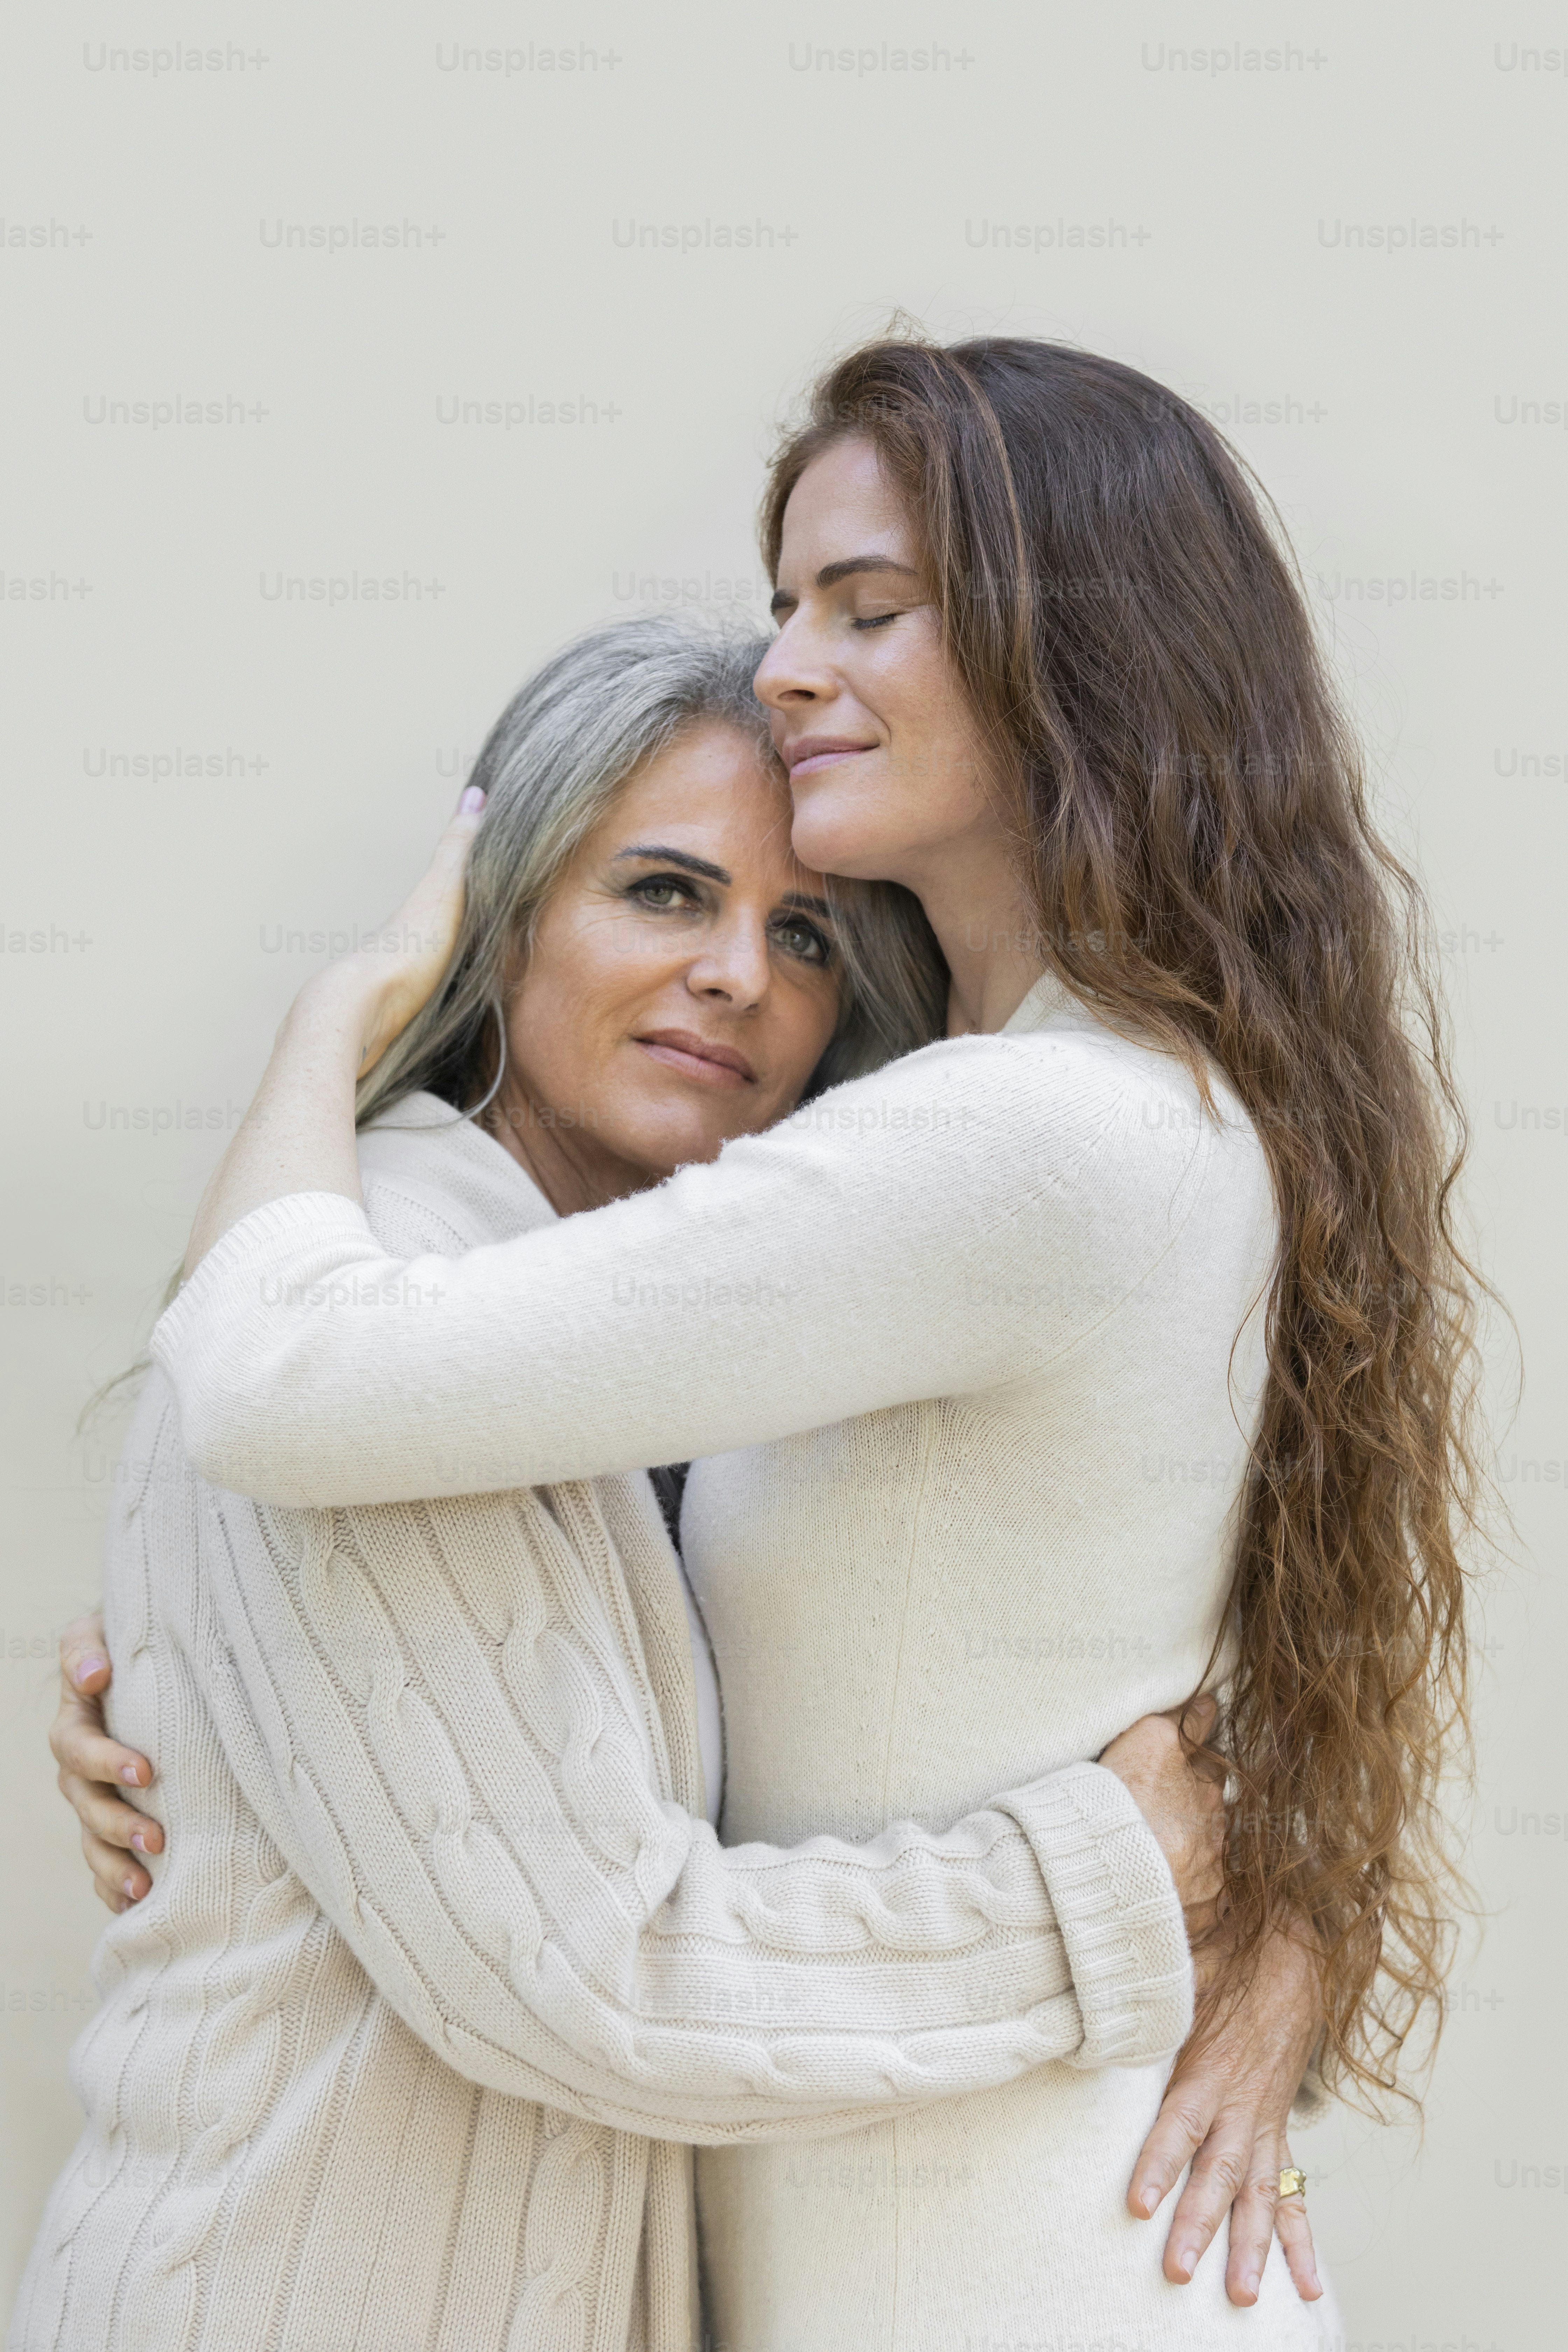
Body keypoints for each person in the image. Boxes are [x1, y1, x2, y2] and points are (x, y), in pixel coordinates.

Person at [132, 332, 1479, 2345]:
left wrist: (339, 1015)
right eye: (787, 606)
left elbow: (275, 1379)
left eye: (867, 607)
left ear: (1072, 650)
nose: (786, 663)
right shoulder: (1061, 1115)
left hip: (1016, 2272)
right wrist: (202, 1703)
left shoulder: (1012, 1142)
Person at [18, 616, 1258, 2352]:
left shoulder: (669, 1370)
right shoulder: (384, 1303)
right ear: (508, 913)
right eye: (665, 894)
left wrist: (1296, 1898)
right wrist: (1109, 1883)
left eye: (805, 932)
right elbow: (601, 1981)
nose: (741, 974)